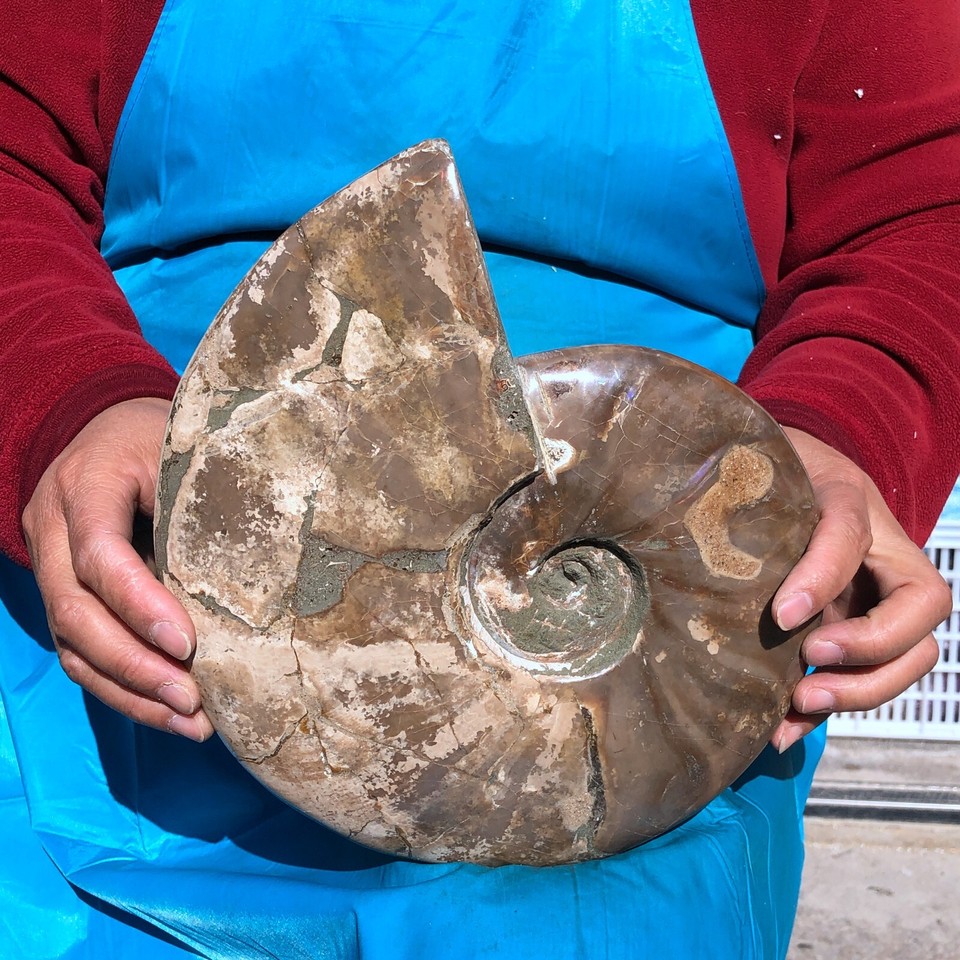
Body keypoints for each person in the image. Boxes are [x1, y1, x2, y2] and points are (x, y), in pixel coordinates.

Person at [1, 0, 957, 957]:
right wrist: (67, 395)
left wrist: (842, 429)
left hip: (666, 622)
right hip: (133, 564)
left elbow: (918, 209)